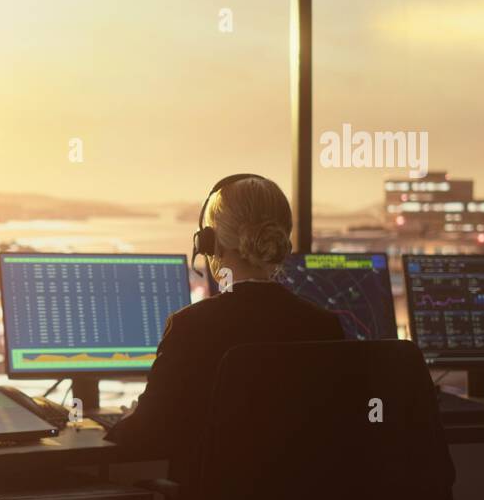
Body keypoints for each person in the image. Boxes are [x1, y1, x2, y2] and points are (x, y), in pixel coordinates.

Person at [106, 174, 344, 483]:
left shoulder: (190, 327)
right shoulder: (324, 327)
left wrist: (127, 420)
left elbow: (149, 434)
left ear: (210, 243)